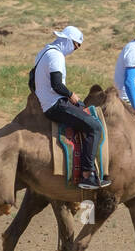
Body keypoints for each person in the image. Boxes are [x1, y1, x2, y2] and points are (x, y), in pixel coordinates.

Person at [32, 26, 110, 190]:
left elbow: (31, 81)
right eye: (75, 45)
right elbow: (57, 84)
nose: (75, 49)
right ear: (67, 40)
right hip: (56, 105)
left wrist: (43, 97)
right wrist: (71, 95)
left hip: (50, 103)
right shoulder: (56, 56)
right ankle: (87, 175)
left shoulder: (44, 52)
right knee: (95, 127)